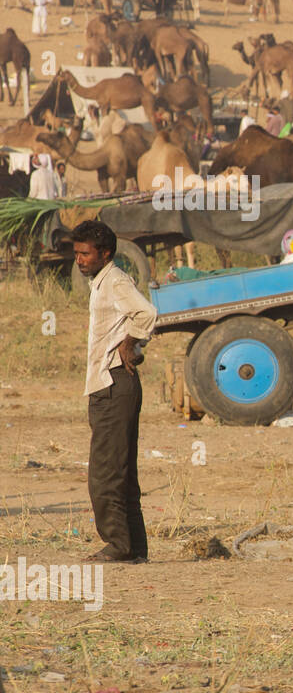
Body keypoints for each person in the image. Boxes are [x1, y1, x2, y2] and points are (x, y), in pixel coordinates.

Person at [72, 220, 158, 563]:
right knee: (121, 470)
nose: (79, 259)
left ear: (105, 253)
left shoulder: (116, 281)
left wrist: (130, 341)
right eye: (76, 253)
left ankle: (118, 546)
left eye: (85, 253)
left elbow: (147, 313)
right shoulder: (101, 282)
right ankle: (134, 548)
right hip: (109, 385)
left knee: (105, 473)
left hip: (114, 383)